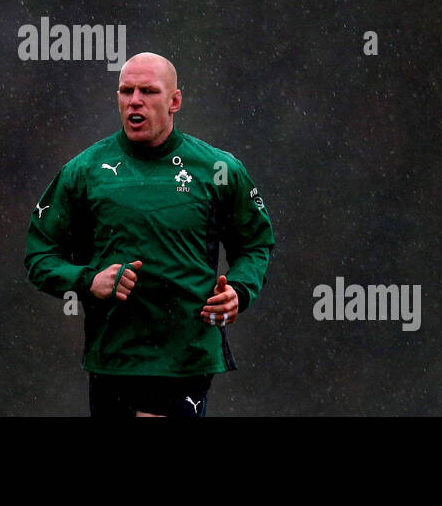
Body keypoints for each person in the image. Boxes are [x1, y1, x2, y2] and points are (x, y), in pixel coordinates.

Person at [25, 52, 274, 416]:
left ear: (175, 101)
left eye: (148, 91)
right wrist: (88, 280)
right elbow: (39, 255)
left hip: (185, 353)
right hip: (114, 355)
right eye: (126, 91)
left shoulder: (218, 169)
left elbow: (255, 243)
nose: (135, 100)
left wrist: (239, 289)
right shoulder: (85, 171)